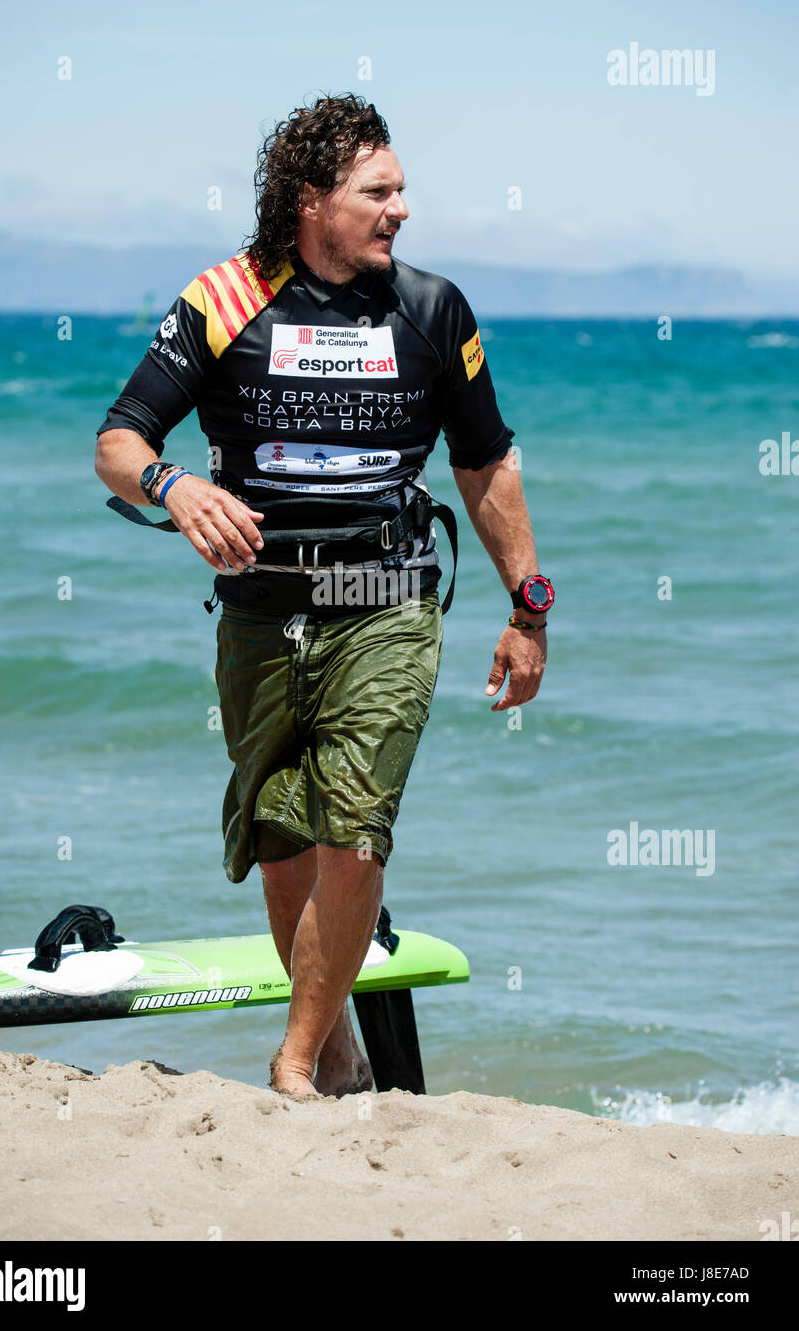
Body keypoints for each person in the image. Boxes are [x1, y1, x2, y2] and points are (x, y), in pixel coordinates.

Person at [95, 93, 551, 1100]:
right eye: (376, 192)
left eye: (400, 190)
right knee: (284, 838)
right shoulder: (224, 299)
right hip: (262, 616)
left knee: (354, 829)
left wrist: (528, 608)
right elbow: (118, 444)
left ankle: (293, 1066)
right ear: (312, 201)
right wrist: (175, 484)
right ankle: (333, 1041)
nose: (401, 210)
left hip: (388, 602)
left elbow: (485, 464)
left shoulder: (432, 311)